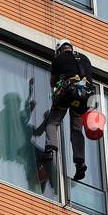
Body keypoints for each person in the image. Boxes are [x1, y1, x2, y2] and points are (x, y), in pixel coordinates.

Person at [34, 39, 94, 181]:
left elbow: (53, 82)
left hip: (68, 92)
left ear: (60, 49)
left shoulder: (58, 58)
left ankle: (50, 150)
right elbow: (90, 78)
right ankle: (80, 163)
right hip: (84, 96)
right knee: (77, 129)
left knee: (52, 122)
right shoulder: (85, 59)